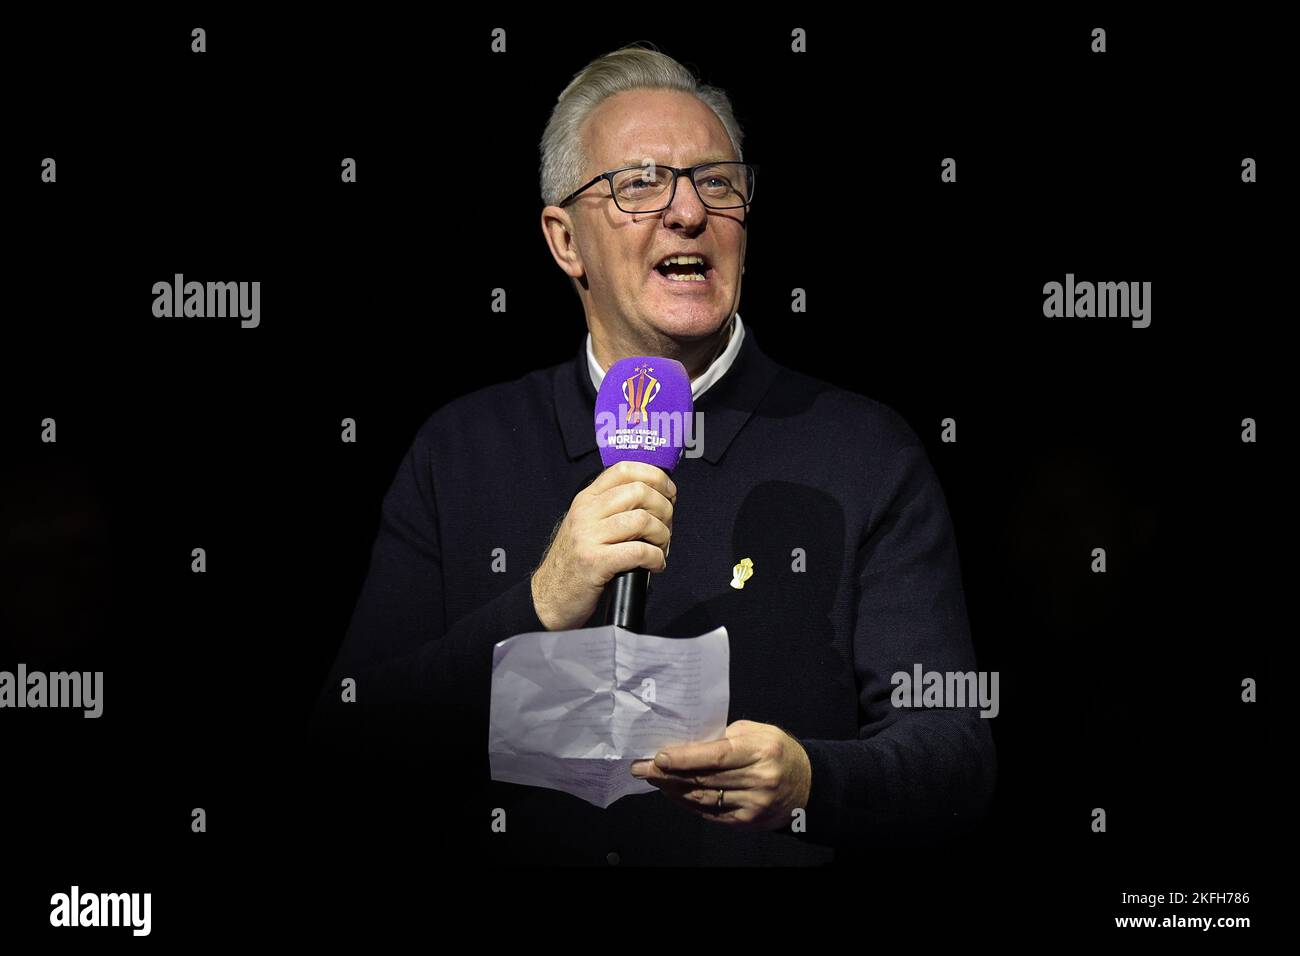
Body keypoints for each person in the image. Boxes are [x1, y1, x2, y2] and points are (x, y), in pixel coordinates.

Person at [310, 43, 995, 866]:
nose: (688, 212)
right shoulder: (459, 450)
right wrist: (538, 604)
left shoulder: (865, 449)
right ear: (565, 241)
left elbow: (956, 755)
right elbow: (347, 747)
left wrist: (815, 781)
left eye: (717, 181)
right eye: (640, 182)